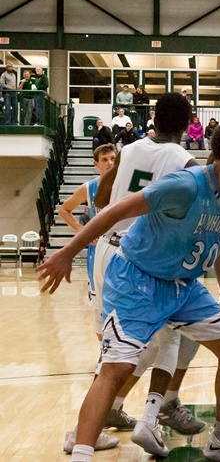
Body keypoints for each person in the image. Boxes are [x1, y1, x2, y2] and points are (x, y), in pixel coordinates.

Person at [37, 119, 220, 462]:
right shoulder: (186, 185)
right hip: (137, 280)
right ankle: (82, 454)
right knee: (115, 368)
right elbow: (117, 209)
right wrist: (67, 251)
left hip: (183, 286)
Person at [88, 93, 205, 452]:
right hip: (143, 257)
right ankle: (156, 414)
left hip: (106, 250)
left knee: (118, 348)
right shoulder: (185, 161)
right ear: (188, 124)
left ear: (153, 117)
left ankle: (100, 418)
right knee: (171, 337)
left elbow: (100, 200)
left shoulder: (129, 149)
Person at [58, 143, 117, 340]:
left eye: (113, 159)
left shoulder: (124, 186)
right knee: (99, 307)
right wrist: (82, 231)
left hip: (122, 250)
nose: (109, 163)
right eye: (105, 160)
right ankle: (103, 353)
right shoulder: (89, 189)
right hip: (98, 252)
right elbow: (64, 210)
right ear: (96, 164)